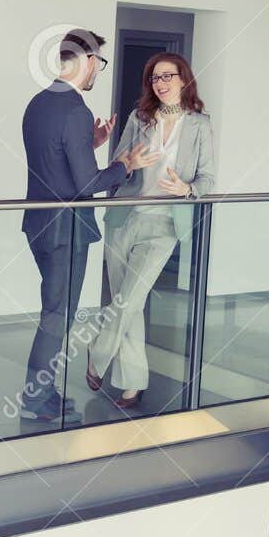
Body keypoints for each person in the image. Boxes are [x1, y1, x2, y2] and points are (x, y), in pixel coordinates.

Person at [20, 30, 155, 423]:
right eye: (100, 63)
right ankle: (34, 399)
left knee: (53, 309)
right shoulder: (76, 110)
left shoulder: (39, 102)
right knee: (58, 314)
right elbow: (87, 184)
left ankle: (43, 392)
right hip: (67, 229)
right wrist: (124, 165)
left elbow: (55, 160)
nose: (98, 71)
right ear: (90, 60)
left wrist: (90, 144)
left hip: (39, 223)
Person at [86, 53, 215, 410]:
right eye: (155, 78)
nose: (160, 83)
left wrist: (186, 189)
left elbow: (208, 178)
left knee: (128, 300)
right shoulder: (139, 118)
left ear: (184, 79)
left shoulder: (199, 125)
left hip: (164, 225)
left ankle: (98, 354)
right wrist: (129, 163)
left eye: (167, 76)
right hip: (123, 217)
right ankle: (132, 384)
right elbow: (118, 164)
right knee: (128, 302)